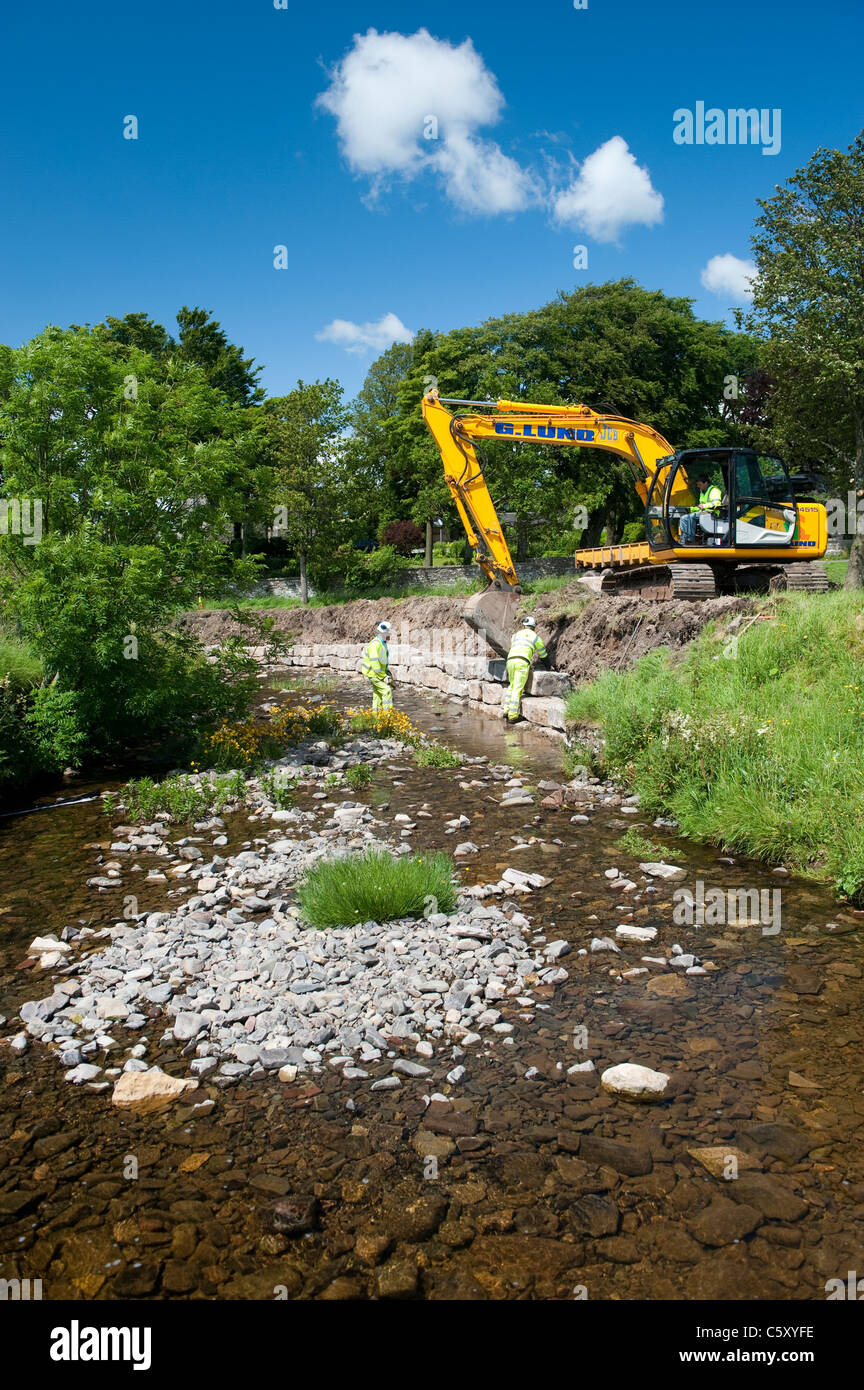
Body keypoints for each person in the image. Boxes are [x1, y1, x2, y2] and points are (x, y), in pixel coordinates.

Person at [504, 616, 548, 723]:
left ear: (523, 626)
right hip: (521, 662)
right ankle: (513, 716)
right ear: (533, 627)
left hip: (510, 661)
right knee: (518, 688)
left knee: (512, 685)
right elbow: (543, 655)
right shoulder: (535, 637)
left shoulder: (515, 635)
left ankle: (506, 711)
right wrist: (549, 666)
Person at [679, 473, 723, 545]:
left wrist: (704, 506)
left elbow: (717, 503)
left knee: (688, 517)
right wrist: (692, 509)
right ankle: (685, 539)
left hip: (712, 513)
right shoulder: (702, 492)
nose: (698, 487)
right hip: (704, 512)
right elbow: (700, 507)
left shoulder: (714, 490)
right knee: (684, 518)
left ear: (705, 483)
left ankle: (690, 539)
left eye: (699, 485)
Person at [361, 621, 394, 711]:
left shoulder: (382, 643)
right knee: (386, 691)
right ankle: (387, 716)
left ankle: (376, 716)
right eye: (389, 632)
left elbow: (382, 661)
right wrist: (384, 677)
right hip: (373, 673)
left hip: (378, 673)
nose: (390, 634)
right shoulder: (375, 644)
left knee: (377, 694)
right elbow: (375, 664)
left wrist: (387, 672)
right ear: (385, 632)